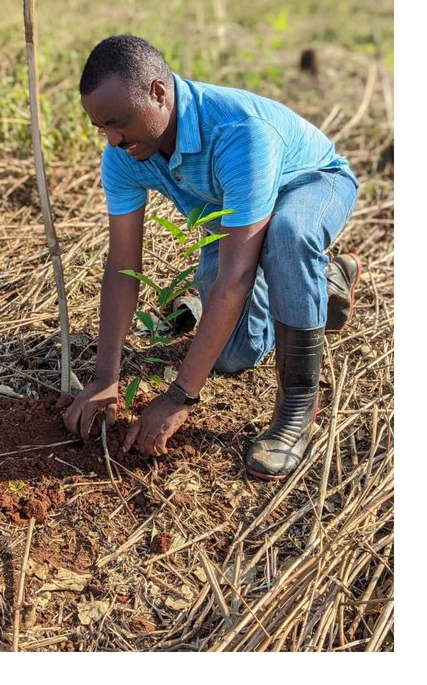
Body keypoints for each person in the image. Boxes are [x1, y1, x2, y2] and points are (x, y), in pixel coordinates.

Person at [61, 35, 361, 480]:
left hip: (310, 184)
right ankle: (319, 282)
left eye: (118, 122)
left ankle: (298, 404)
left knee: (288, 234)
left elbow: (235, 278)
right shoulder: (124, 151)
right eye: (100, 126)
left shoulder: (239, 133)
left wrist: (179, 396)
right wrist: (105, 376)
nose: (112, 138)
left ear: (158, 93)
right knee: (233, 356)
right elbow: (123, 268)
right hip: (237, 214)